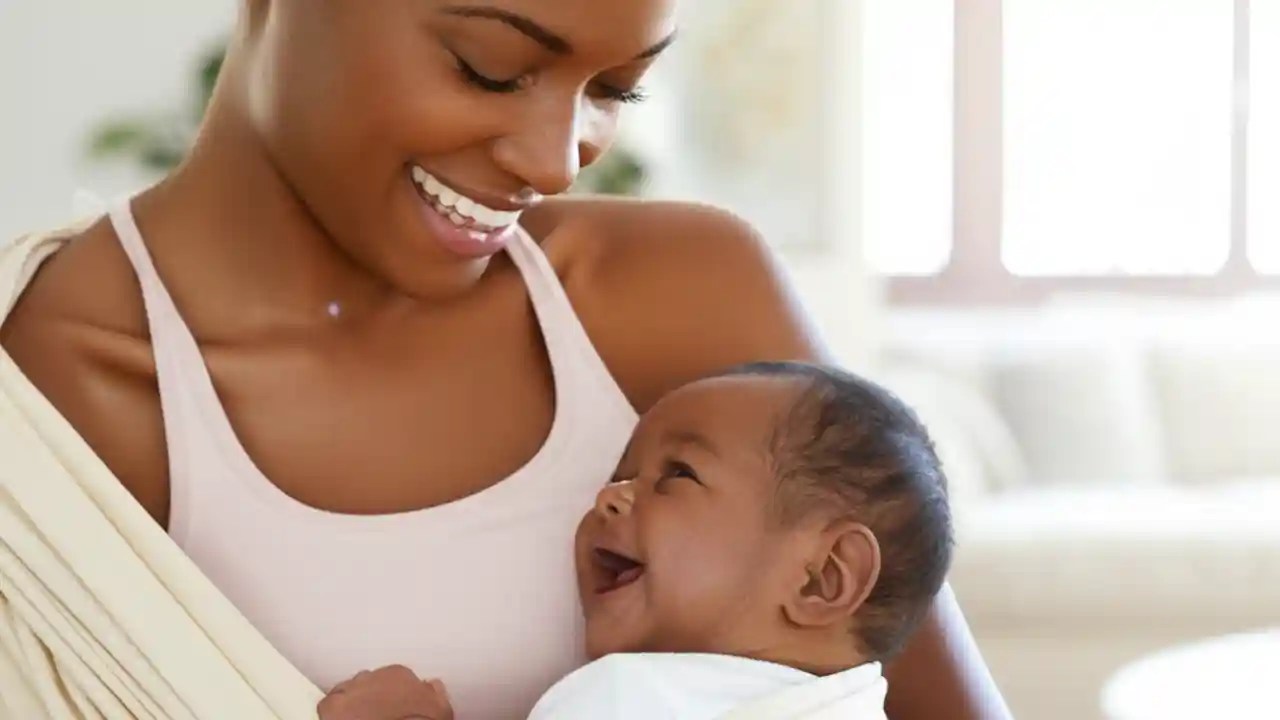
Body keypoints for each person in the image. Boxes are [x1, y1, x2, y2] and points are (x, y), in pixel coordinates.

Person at [0, 1, 1009, 718]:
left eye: (617, 89)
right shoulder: (47, 402)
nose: (551, 155)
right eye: (489, 65)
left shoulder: (684, 298)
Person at [317, 362, 953, 720]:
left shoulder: (635, 698)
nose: (610, 496)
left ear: (821, 578)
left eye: (677, 475)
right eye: (620, 475)